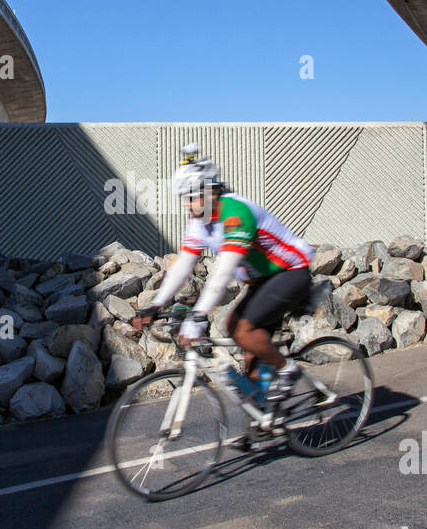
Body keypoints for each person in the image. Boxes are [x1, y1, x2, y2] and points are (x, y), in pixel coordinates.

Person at [132, 143, 315, 410]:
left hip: (291, 272)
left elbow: (222, 274)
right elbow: (183, 265)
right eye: (185, 198)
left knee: (243, 330)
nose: (188, 205)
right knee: (238, 333)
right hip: (261, 281)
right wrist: (156, 305)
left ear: (211, 191)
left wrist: (198, 315)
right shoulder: (198, 222)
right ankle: (263, 420)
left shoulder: (235, 213)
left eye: (193, 197)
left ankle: (288, 369)